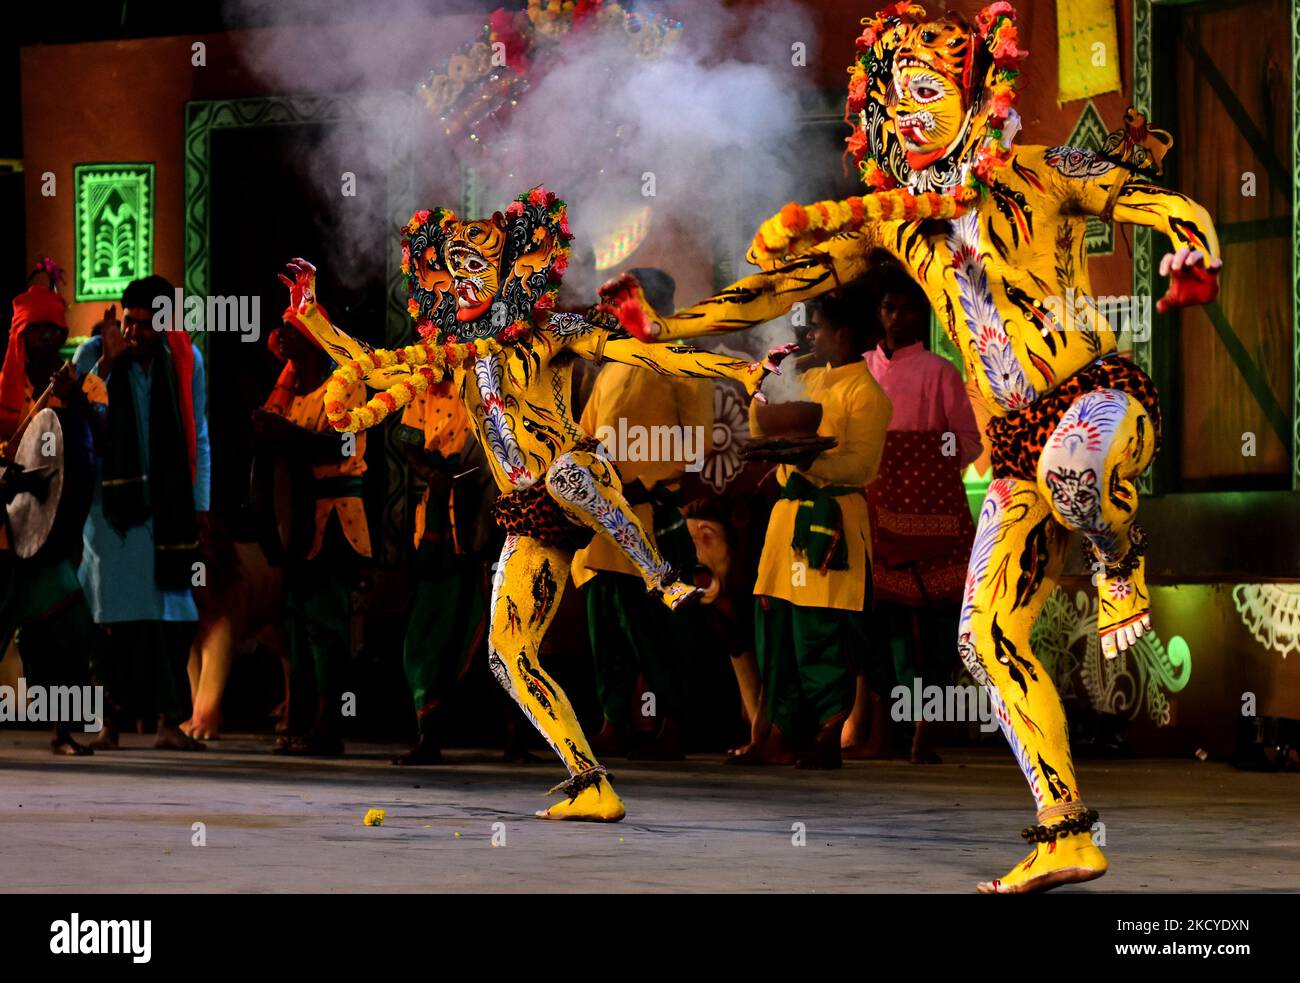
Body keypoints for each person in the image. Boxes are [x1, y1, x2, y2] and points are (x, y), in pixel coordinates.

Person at [602, 1, 1223, 892]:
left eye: (925, 89)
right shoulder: (899, 225)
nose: (906, 111)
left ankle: (1121, 557)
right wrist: (664, 327)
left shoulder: (1045, 172)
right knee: (982, 638)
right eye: (892, 98)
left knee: (1073, 468)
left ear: (973, 92)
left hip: (1098, 404)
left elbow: (1163, 201)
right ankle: (1068, 828)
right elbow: (775, 288)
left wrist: (1192, 250)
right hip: (1014, 452)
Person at [279, 187, 789, 821]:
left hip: (581, 480)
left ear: (512, 273)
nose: (465, 280)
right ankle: (590, 782)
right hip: (531, 512)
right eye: (456, 269)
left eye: (480, 268)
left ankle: (660, 576)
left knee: (570, 475)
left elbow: (645, 351)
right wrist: (312, 317)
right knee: (507, 654)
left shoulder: (553, 330)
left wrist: (738, 374)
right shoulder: (454, 355)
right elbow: (372, 366)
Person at [734, 290, 891, 769]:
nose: (811, 335)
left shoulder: (867, 394)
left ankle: (827, 735)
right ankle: (777, 733)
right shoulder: (808, 378)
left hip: (832, 522)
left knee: (818, 634)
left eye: (819, 327)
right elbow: (765, 428)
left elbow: (860, 466)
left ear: (843, 334)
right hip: (789, 519)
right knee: (777, 627)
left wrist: (810, 459)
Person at [573, 268, 711, 760]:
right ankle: (614, 723)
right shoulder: (611, 361)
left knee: (660, 629)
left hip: (652, 521)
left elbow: (698, 442)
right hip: (607, 523)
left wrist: (648, 483)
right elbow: (586, 434)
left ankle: (675, 722)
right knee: (607, 628)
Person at [73, 274, 211, 751]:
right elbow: (76, 417)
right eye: (129, 323)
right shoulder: (94, 355)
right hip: (109, 511)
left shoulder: (187, 360)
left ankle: (169, 725)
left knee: (176, 616)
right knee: (113, 618)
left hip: (169, 511)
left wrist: (201, 507)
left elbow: (201, 437)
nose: (135, 334)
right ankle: (110, 724)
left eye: (148, 326)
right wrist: (108, 363)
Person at [859, 270, 980, 763]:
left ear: (922, 316)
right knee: (878, 622)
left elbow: (968, 443)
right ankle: (883, 730)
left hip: (933, 517)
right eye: (890, 307)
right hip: (875, 515)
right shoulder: (860, 369)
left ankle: (928, 727)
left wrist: (917, 456)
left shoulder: (940, 373)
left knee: (936, 630)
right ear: (879, 313)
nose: (897, 317)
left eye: (908, 309)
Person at [253, 321, 372, 756]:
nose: (281, 334)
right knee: (299, 624)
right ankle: (301, 720)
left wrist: (288, 435)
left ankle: (329, 725)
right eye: (280, 328)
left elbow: (343, 448)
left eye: (293, 328)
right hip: (299, 520)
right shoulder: (290, 390)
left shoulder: (344, 384)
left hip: (337, 516)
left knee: (326, 624)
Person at [0, 263, 106, 754]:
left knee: (61, 633)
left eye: (52, 330)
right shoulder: (4, 391)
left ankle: (62, 730)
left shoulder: (81, 386)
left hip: (49, 537)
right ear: (20, 335)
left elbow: (104, 440)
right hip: (2, 536)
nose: (45, 338)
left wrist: (75, 403)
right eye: (34, 329)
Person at [390, 374, 496, 765]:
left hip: (485, 502)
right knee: (430, 625)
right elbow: (410, 446)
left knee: (496, 624)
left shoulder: (488, 376)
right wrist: (430, 474)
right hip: (440, 512)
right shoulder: (422, 384)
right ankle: (428, 734)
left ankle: (514, 737)